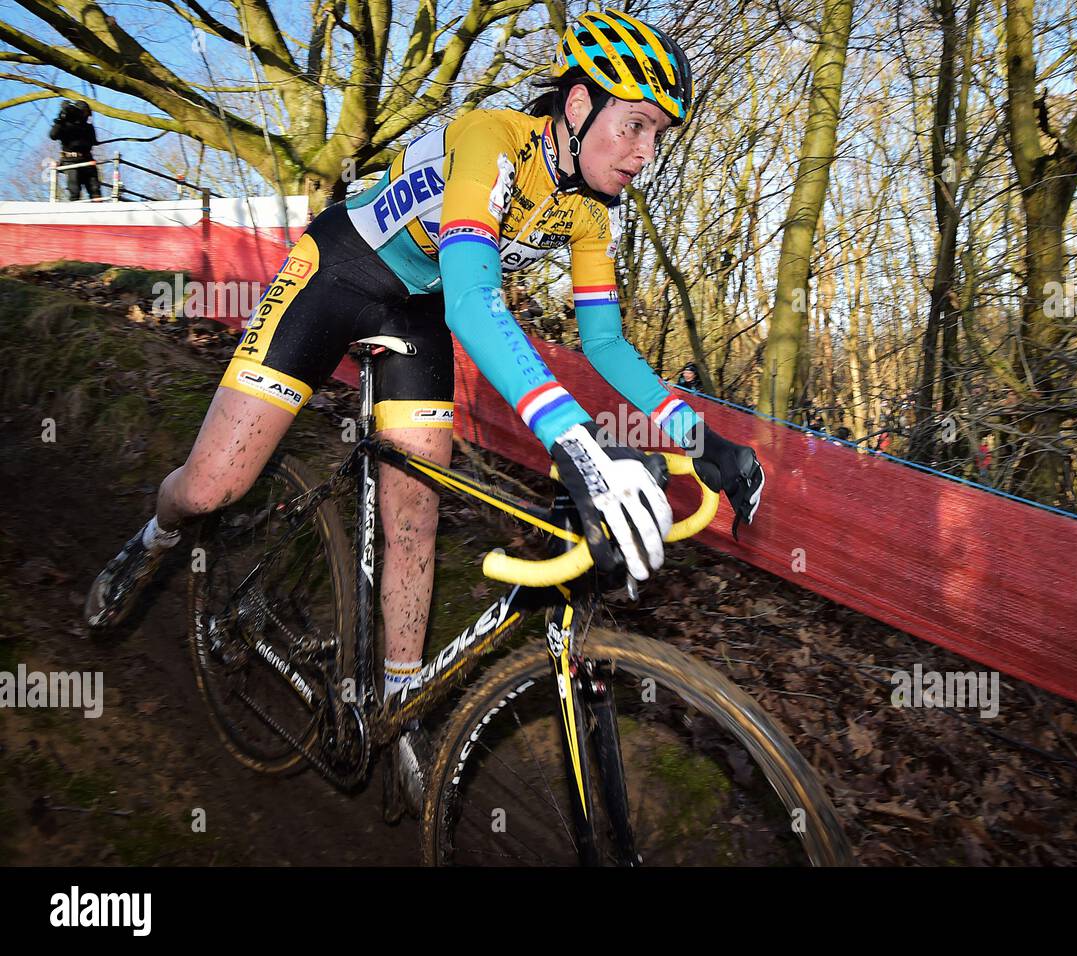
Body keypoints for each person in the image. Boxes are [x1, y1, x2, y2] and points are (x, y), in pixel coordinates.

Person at [83, 10, 765, 817]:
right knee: (211, 489)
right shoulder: (490, 139)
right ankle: (154, 537)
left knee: (416, 515)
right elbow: (476, 302)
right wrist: (577, 445)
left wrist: (699, 435)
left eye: (659, 135)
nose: (647, 153)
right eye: (637, 125)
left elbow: (606, 344)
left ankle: (399, 708)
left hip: (415, 312)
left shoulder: (588, 214)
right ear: (579, 105)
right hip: (336, 275)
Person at [48, 100, 102, 201]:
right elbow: (53, 135)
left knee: (95, 191)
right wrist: (60, 120)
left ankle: (99, 208)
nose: (86, 116)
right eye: (85, 113)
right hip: (70, 161)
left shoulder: (88, 127)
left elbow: (92, 141)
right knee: (74, 191)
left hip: (86, 160)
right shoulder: (64, 124)